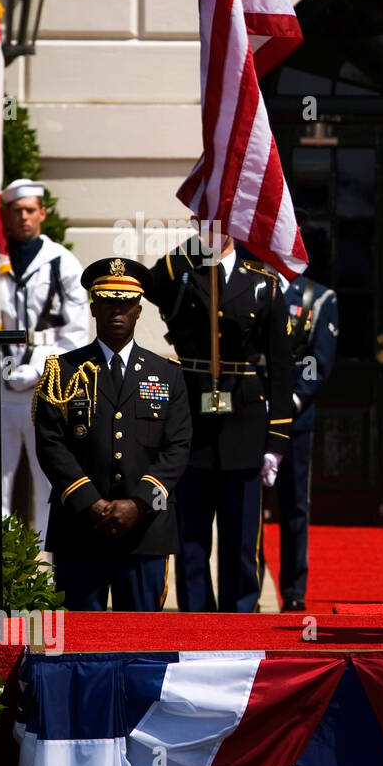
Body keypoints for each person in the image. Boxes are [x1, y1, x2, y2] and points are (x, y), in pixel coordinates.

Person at [32, 258, 191, 610]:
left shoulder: (167, 374)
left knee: (139, 641)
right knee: (79, 642)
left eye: (125, 302)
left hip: (145, 528)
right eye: (107, 301)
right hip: (80, 526)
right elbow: (50, 442)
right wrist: (90, 501)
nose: (116, 310)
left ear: (139, 310)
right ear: (92, 308)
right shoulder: (63, 371)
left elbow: (177, 446)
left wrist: (138, 503)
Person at [147, 234, 293, 612]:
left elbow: (281, 367)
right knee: (192, 539)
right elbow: (149, 282)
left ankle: (240, 621)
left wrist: (277, 439)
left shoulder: (264, 283)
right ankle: (197, 624)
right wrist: (199, 246)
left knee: (242, 540)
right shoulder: (182, 275)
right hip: (192, 419)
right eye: (208, 215)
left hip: (244, 422)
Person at [0, 179, 89, 542]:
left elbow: (76, 332)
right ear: (5, 215)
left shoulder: (62, 263)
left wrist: (40, 368)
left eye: (30, 210)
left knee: (48, 479)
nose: (24, 217)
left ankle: (45, 570)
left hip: (47, 390)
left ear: (43, 214)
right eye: (17, 211)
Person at [265, 262, 338, 612]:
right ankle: (248, 586)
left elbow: (319, 362)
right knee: (248, 506)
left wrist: (289, 401)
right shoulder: (251, 287)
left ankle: (293, 590)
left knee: (294, 505)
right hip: (252, 413)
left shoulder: (318, 297)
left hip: (294, 416)